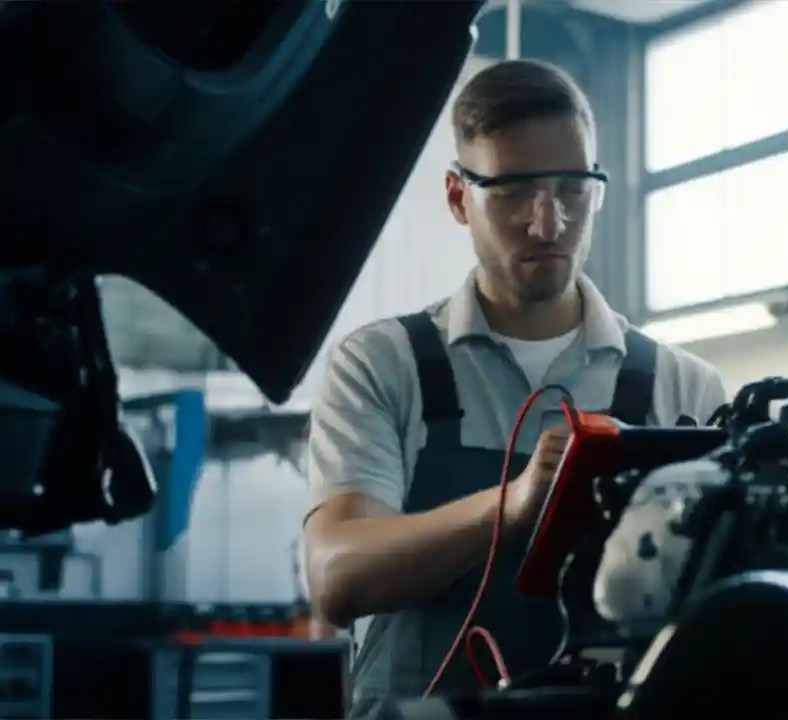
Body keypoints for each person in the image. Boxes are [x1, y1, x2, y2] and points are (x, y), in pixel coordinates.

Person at [302, 59, 727, 718]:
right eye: (513, 192)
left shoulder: (684, 386)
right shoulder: (383, 365)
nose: (548, 223)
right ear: (456, 197)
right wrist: (514, 505)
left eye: (571, 189)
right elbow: (337, 577)